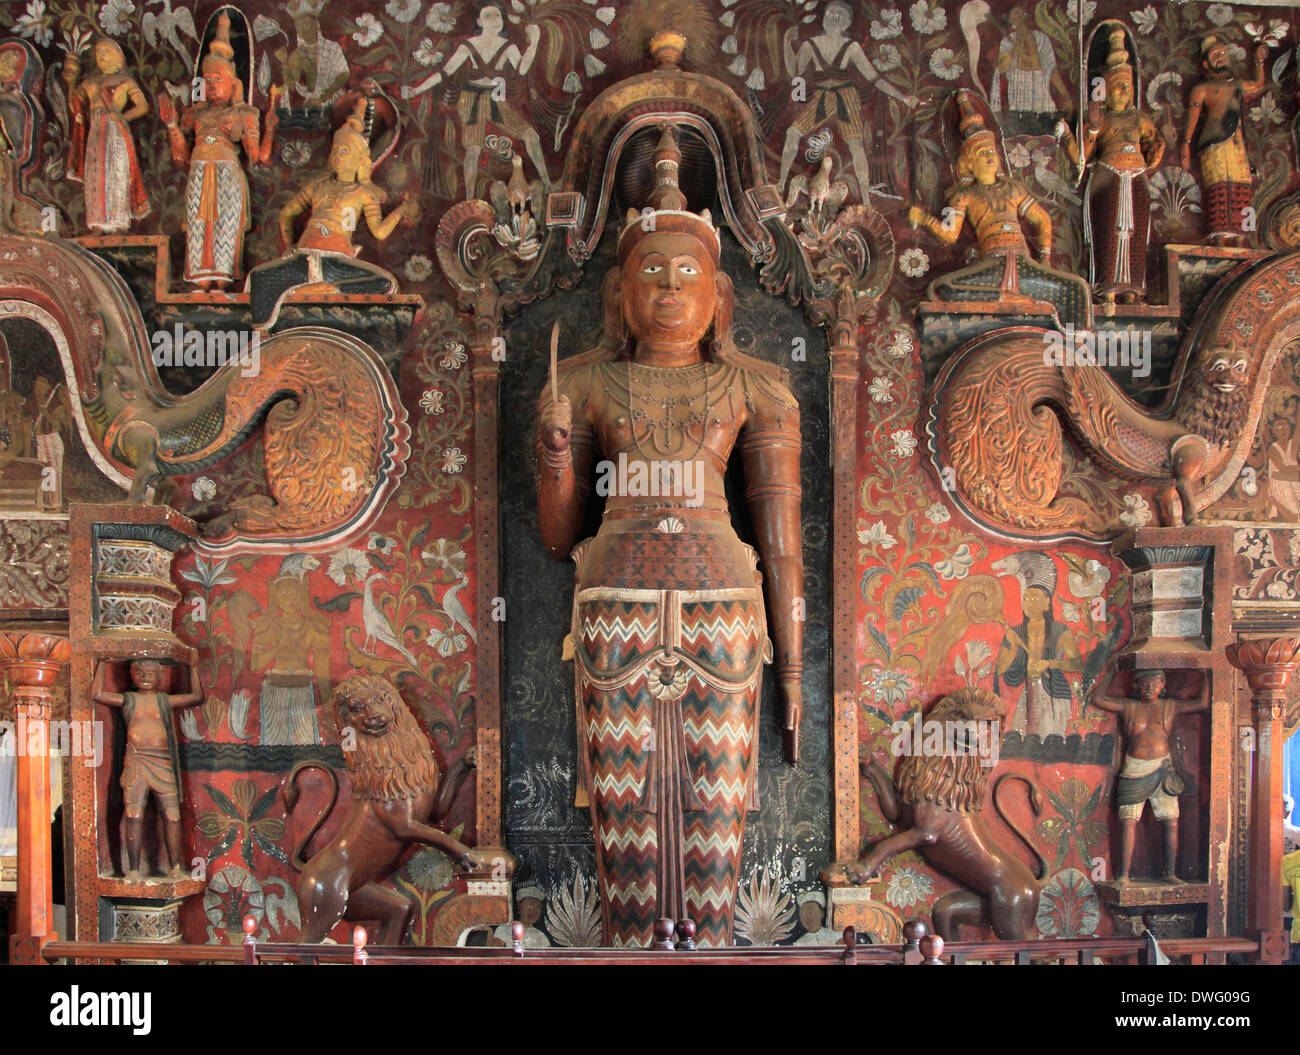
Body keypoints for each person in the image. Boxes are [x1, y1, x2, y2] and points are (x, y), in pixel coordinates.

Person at [536, 127, 803, 948]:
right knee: (624, 799)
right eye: (649, 271)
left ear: (719, 297)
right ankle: (627, 945)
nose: (668, 287)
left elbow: (784, 541)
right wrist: (553, 456)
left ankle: (713, 944)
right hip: (613, 598)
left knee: (716, 800)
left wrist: (793, 665)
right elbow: (557, 534)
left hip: (725, 602)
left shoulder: (757, 386)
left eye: (687, 273)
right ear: (619, 294)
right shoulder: (582, 381)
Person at [908, 92, 1092, 330]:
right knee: (943, 290)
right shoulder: (965, 195)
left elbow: (1043, 220)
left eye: (991, 151)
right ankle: (1016, 300)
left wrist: (1045, 258)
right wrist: (922, 218)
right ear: (969, 162)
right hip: (991, 267)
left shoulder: (1013, 188)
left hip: (1026, 266)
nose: (989, 157)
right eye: (981, 153)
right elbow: (950, 235)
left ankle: (1069, 343)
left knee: (1077, 290)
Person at [245, 97, 418, 327]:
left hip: (336, 262)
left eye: (345, 150)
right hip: (303, 256)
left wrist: (401, 211)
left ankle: (327, 289)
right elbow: (286, 213)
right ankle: (263, 333)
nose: (337, 155)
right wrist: (289, 247)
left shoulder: (363, 193)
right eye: (336, 149)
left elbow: (379, 232)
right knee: (257, 279)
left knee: (385, 283)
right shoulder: (318, 186)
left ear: (361, 161)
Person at [159, 12, 279, 289]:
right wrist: (172, 126)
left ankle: (222, 281)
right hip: (199, 170)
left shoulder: (243, 113)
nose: (212, 85)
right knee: (199, 222)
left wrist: (269, 128)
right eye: (207, 79)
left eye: (218, 79)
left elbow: (256, 157)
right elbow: (180, 157)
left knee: (225, 224)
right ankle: (201, 282)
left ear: (232, 82)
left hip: (226, 172)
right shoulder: (195, 114)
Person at [1059, 26, 1164, 303]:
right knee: (1110, 231)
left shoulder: (1140, 118)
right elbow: (1081, 155)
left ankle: (1132, 287)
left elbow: (1155, 143)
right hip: (1109, 178)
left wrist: (1151, 159)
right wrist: (1092, 130)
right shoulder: (1102, 118)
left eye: (1127, 86)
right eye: (1118, 86)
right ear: (1106, 88)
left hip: (1137, 177)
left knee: (1136, 232)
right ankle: (1107, 287)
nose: (1124, 91)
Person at [402, 2, 547, 198]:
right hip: (471, 98)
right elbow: (445, 72)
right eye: (488, 16)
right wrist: (416, 90)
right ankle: (470, 200)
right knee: (473, 149)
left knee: (532, 136)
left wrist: (535, 42)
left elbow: (522, 69)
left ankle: (547, 184)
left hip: (495, 97)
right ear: (479, 20)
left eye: (497, 16)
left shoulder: (508, 46)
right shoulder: (468, 45)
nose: (494, 20)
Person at [778, 1, 916, 196]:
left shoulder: (851, 48)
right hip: (822, 98)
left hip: (846, 97)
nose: (834, 17)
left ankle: (866, 199)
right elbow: (794, 71)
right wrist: (786, 42)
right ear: (823, 18)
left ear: (847, 23)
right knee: (792, 132)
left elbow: (873, 77)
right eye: (830, 13)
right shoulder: (811, 45)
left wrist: (903, 97)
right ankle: (781, 183)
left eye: (839, 15)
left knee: (855, 145)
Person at [1091, 667, 1208, 884]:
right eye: (1144, 683)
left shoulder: (1169, 707)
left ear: (1163, 686)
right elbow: (1098, 698)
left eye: (1154, 683)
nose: (1149, 687)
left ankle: (1170, 872)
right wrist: (1111, 670)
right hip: (1134, 768)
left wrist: (1207, 672)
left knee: (1171, 821)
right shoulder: (1130, 707)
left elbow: (1202, 703)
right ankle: (1124, 875)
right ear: (1136, 686)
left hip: (1162, 768)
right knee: (1128, 821)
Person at [92, 657, 204, 881]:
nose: (145, 678)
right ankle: (133, 869)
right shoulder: (129, 699)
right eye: (140, 673)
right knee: (134, 814)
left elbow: (196, 697)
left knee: (172, 815)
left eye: (150, 674)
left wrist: (192, 668)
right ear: (132, 676)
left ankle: (175, 866)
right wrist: (102, 663)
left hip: (162, 762)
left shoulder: (163, 700)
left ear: (159, 677)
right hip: (136, 761)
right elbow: (98, 695)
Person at [1180, 35, 1268, 245]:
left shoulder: (1236, 84)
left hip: (1237, 142)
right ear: (1205, 64)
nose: (1221, 57)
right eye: (1216, 55)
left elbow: (1257, 85)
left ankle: (1242, 239)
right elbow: (1192, 121)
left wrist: (1259, 61)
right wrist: (1186, 144)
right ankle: (1219, 239)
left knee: (1242, 185)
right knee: (1218, 187)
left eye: (1223, 53)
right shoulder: (1202, 90)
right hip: (1214, 143)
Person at [64, 37, 150, 234]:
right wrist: (70, 82)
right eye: (98, 52)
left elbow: (143, 106)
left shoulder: (126, 81)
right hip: (96, 129)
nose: (102, 56)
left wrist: (122, 116)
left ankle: (119, 222)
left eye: (107, 51)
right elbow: (75, 107)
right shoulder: (90, 82)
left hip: (116, 129)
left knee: (117, 172)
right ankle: (97, 223)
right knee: (96, 173)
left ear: (118, 57)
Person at [990, 6, 1070, 136]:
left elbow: (1052, 70)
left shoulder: (1041, 39)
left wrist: (1066, 96)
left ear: (1026, 16)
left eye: (1021, 14)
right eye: (1014, 15)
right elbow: (1002, 69)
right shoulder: (1007, 41)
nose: (1018, 18)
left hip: (1041, 101)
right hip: (1017, 104)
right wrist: (1015, 47)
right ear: (1011, 20)